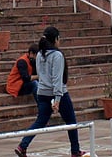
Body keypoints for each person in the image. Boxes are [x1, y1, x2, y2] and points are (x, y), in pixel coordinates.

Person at [15, 26, 89, 157]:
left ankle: (23, 145)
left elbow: (42, 75)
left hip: (42, 92)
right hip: (56, 93)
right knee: (71, 122)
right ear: (56, 39)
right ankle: (75, 150)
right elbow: (57, 79)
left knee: (40, 121)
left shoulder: (39, 55)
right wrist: (58, 99)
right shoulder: (57, 55)